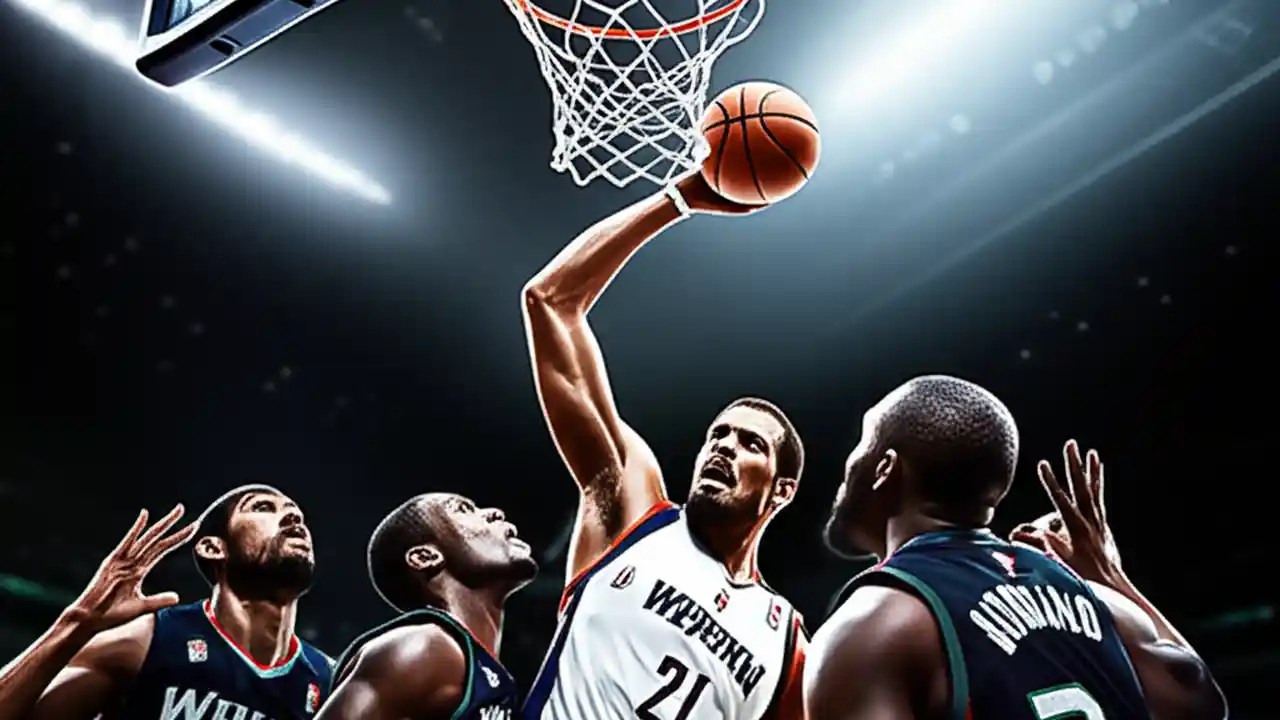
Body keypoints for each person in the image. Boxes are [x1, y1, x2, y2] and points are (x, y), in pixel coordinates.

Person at [519, 172, 806, 720]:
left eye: (750, 443)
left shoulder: (786, 642)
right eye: (717, 434)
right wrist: (678, 200)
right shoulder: (634, 514)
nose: (723, 446)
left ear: (782, 490)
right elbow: (549, 301)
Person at [803, 375, 1227, 720]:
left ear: (885, 469)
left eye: (862, 443)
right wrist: (1110, 579)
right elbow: (1203, 702)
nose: (849, 463)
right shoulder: (1101, 603)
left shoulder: (872, 626)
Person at [0, 484, 334, 720]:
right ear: (213, 548)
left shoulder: (329, 681)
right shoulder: (146, 641)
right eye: (262, 508)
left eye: (297, 515)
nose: (293, 520)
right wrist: (77, 622)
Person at [316, 493, 537, 720]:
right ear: (425, 557)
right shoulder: (424, 647)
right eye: (462, 509)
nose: (494, 513)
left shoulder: (482, 673)